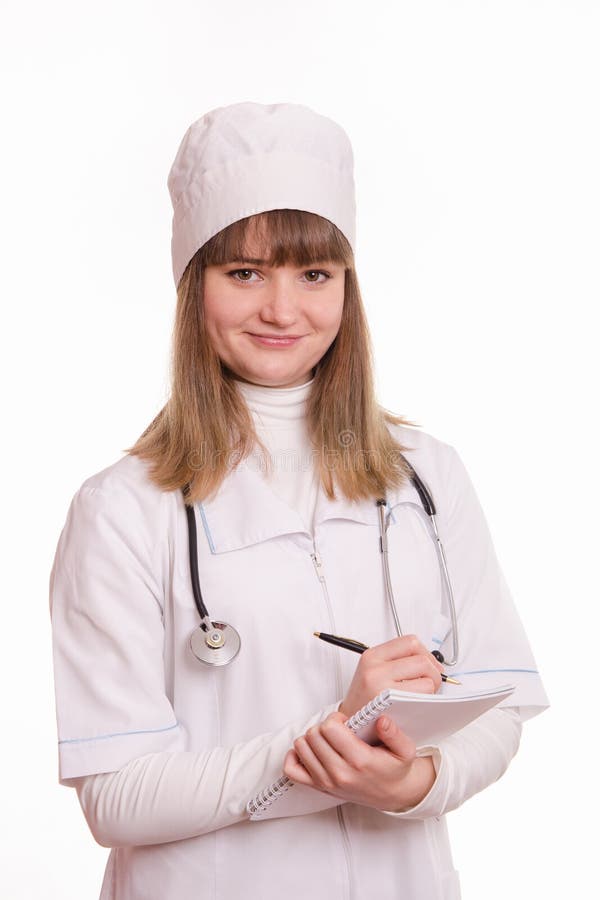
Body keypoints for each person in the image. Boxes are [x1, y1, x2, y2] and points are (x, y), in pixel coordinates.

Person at [49, 101, 549, 900]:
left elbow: (500, 703)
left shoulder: (427, 475)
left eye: (314, 274)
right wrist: (327, 746)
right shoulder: (123, 509)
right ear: (193, 287)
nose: (283, 309)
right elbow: (115, 797)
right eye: (244, 272)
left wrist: (413, 785)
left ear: (347, 286)